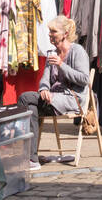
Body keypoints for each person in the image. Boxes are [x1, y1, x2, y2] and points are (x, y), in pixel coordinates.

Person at [19, 15, 90, 170]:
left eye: (54, 31)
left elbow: (84, 79)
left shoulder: (77, 51)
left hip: (72, 98)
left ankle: (28, 156)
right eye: (49, 31)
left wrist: (61, 65)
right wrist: (43, 89)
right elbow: (45, 78)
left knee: (25, 98)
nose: (50, 35)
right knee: (31, 108)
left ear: (65, 33)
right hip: (53, 97)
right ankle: (32, 158)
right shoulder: (52, 52)